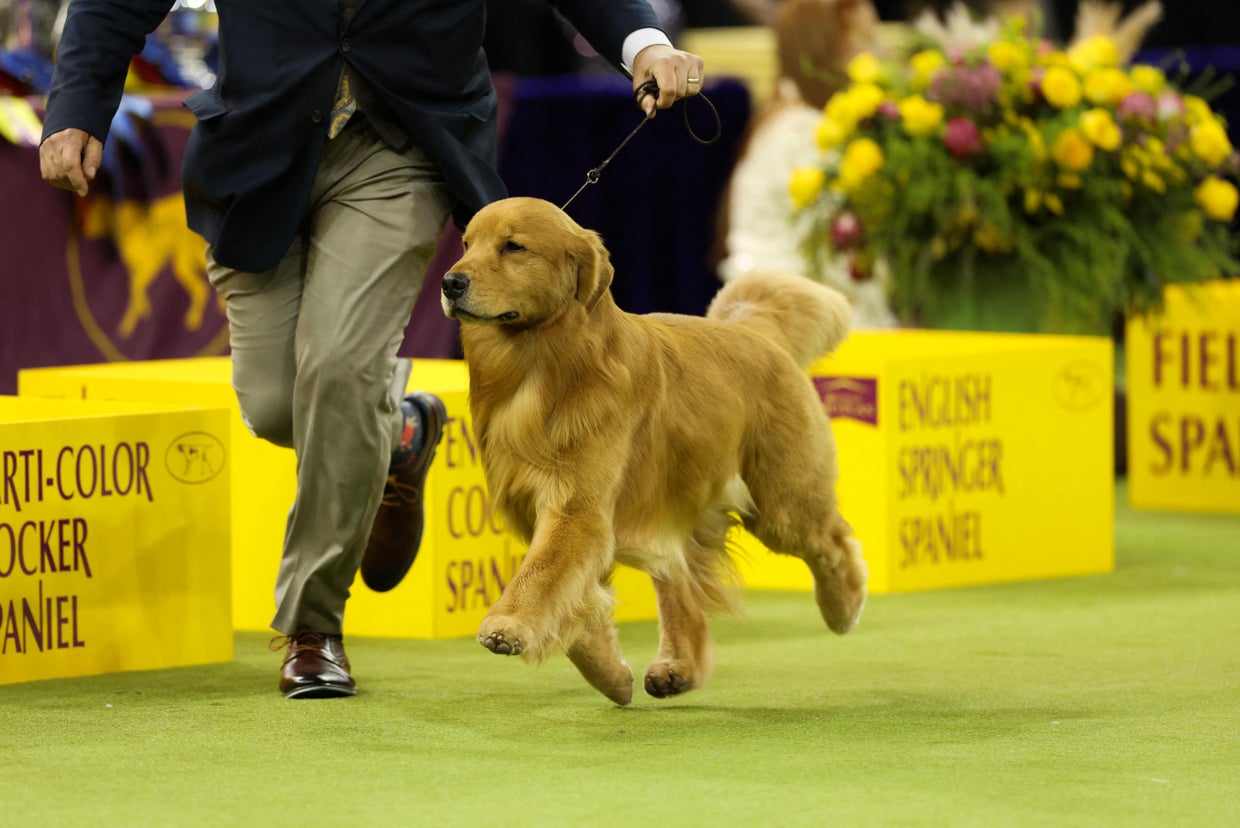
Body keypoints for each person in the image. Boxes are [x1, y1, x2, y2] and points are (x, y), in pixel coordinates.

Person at [39, 0, 705, 699]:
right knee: (272, 405)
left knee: (340, 368)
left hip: (402, 144)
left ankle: (312, 626)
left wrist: (643, 45)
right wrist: (77, 109)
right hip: (256, 152)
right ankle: (399, 430)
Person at [716, 0, 899, 328]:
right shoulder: (804, 129)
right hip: (788, 318)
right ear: (833, 46)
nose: (879, 58)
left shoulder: (796, 117)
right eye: (868, 44)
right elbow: (835, 256)